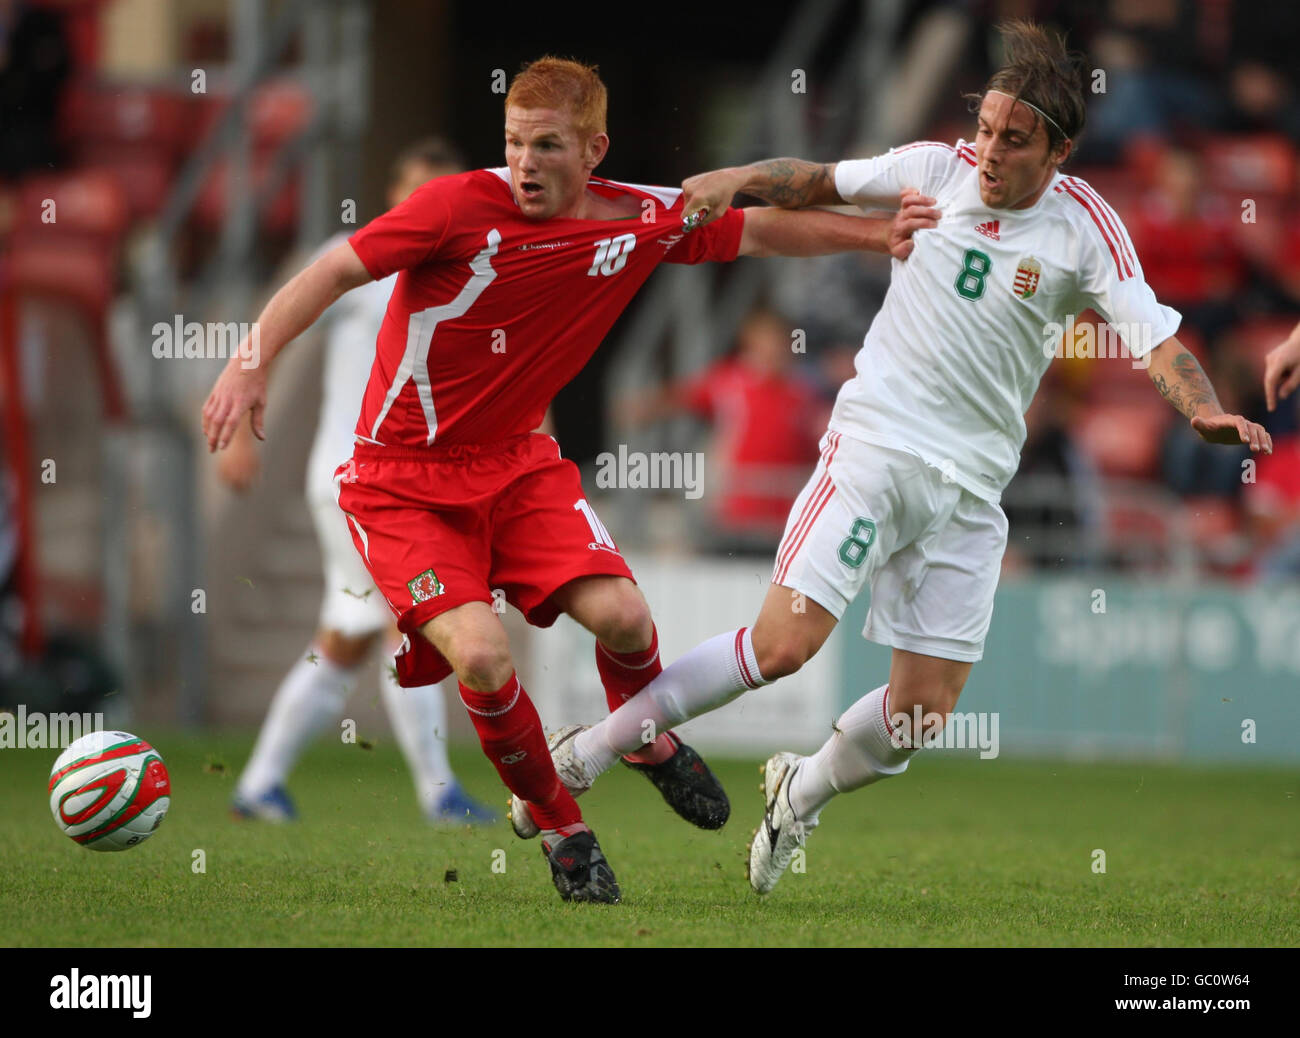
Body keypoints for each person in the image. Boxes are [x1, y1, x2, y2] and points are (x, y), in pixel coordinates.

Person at [545, 21, 1274, 896]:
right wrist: (737, 177)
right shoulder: (938, 166)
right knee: (783, 648)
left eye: (1014, 139)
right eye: (988, 128)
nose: (990, 151)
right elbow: (820, 181)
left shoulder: (1088, 229)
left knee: (921, 716)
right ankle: (589, 749)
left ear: (1061, 151)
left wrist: (1203, 412)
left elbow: (1156, 342)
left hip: (971, 490)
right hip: (879, 444)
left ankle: (799, 790)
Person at [202, 56, 938, 904]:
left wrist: (875, 234)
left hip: (516, 465)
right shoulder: (450, 208)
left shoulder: (636, 217)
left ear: (594, 151)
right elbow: (332, 271)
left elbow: (760, 229)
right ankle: (561, 826)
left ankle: (641, 738)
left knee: (626, 620)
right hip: (401, 481)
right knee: (481, 657)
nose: (523, 163)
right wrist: (249, 364)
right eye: (513, 142)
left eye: (545, 146)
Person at [219, 139, 497, 826]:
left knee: (347, 635)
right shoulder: (363, 256)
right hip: (354, 479)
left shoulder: (468, 268)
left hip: (396, 483)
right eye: (417, 189)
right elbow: (285, 319)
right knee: (412, 629)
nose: (429, 202)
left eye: (442, 189)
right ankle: (439, 794)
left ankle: (259, 784)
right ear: (395, 195)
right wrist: (245, 394)